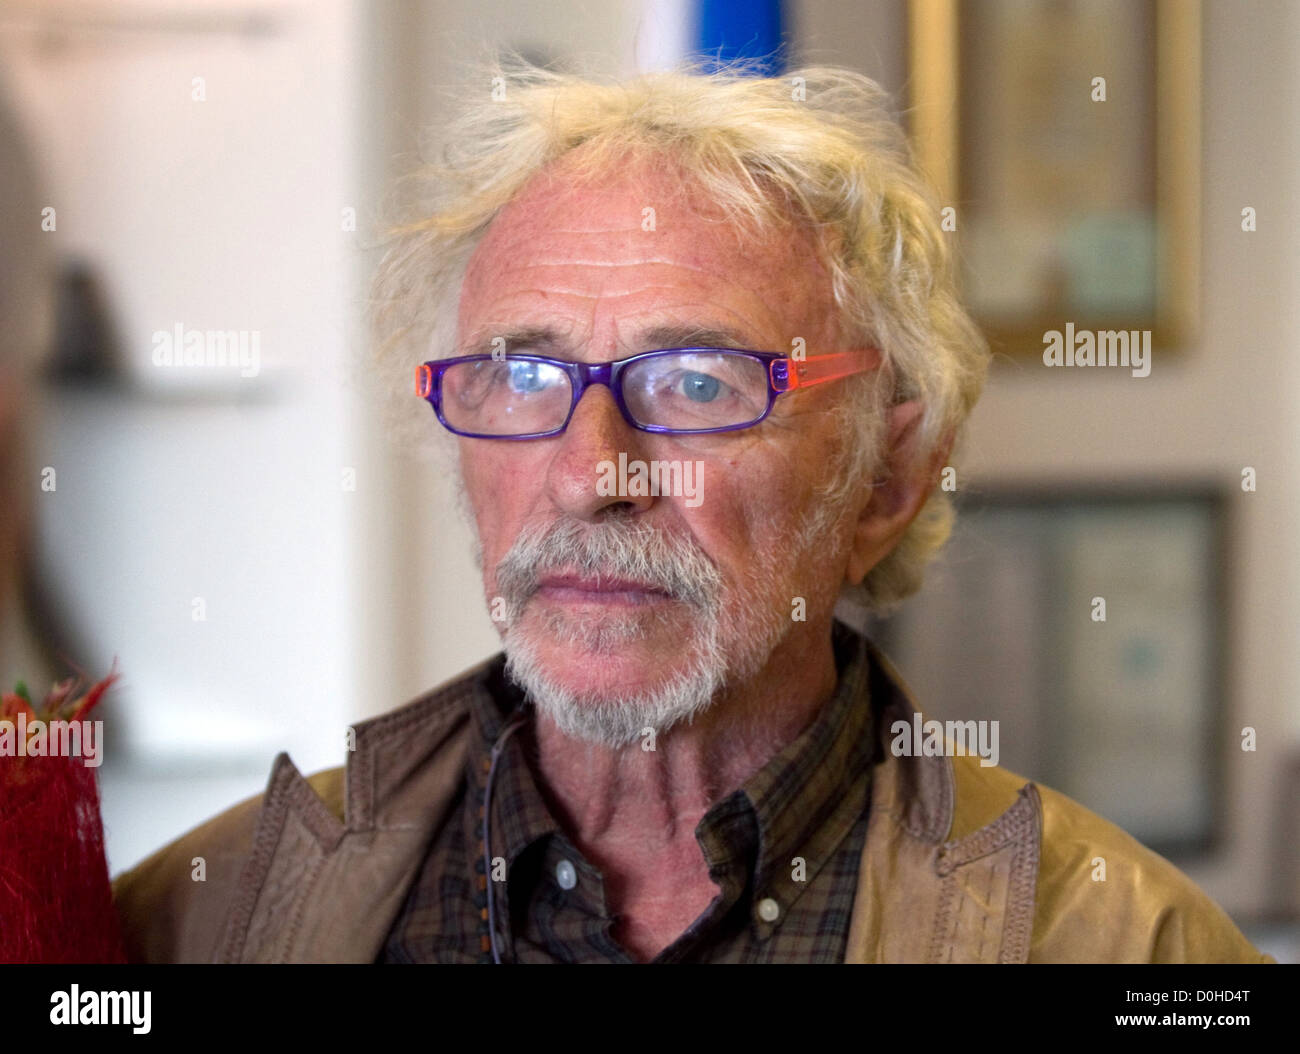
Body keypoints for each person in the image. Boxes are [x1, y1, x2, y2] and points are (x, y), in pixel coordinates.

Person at [112, 61, 1271, 964]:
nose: (591, 472)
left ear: (887, 477)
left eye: (698, 384)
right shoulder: (189, 924)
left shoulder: (1130, 946)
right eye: (524, 375)